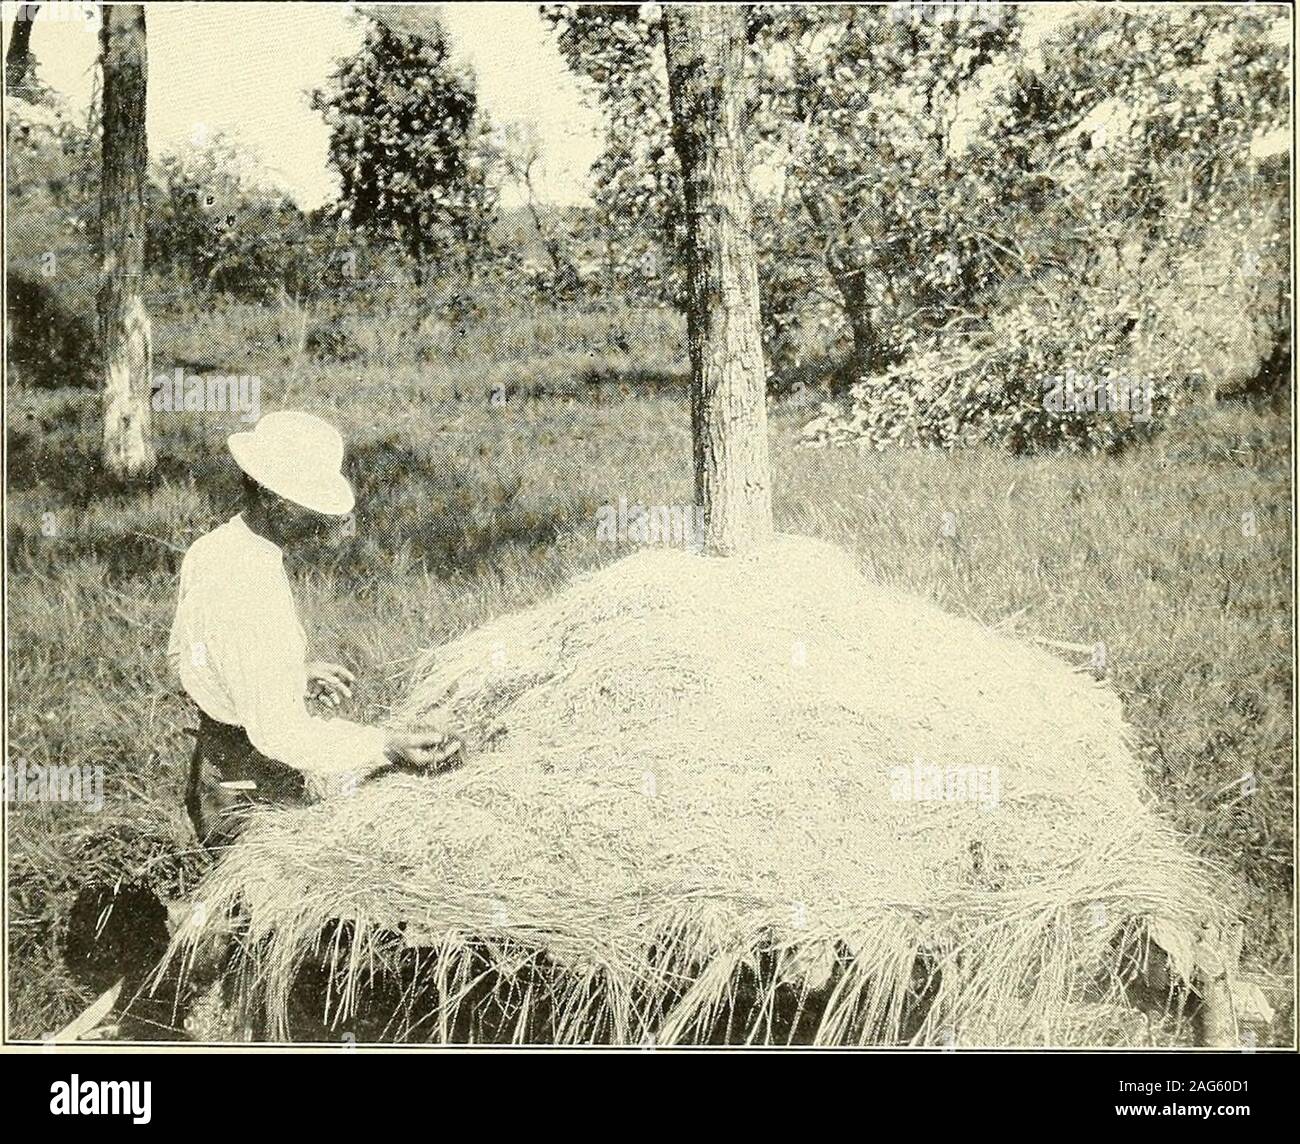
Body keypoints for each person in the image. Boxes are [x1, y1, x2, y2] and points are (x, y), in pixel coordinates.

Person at [168, 410, 457, 851]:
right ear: (273, 497)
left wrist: (283, 674)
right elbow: (281, 735)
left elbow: (186, 658)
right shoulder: (248, 585)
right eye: (312, 506)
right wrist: (387, 745)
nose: (322, 522)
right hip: (244, 792)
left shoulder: (216, 549)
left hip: (218, 762)